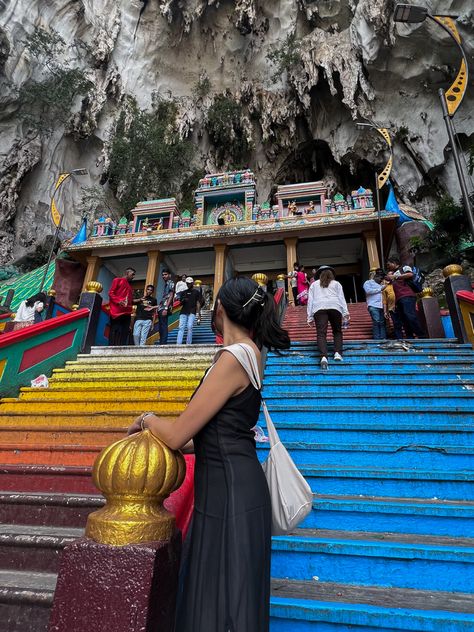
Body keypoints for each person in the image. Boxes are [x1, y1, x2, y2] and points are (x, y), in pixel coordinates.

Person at [128, 277, 290, 632]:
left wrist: (145, 419)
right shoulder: (251, 353)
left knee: (225, 599)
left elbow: (176, 435)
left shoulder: (235, 357)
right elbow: (207, 436)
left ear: (219, 309)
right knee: (226, 596)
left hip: (231, 494)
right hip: (229, 487)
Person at [307, 265, 349, 369]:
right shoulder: (336, 284)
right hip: (335, 307)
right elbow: (341, 298)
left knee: (321, 333)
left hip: (319, 308)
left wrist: (309, 316)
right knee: (337, 331)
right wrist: (345, 313)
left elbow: (310, 301)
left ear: (319, 274)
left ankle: (323, 357)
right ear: (331, 274)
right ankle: (337, 353)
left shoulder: (314, 284)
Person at [386, 256, 426, 339]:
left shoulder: (404, 267)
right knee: (404, 319)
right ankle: (410, 337)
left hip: (407, 295)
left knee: (410, 315)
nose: (388, 266)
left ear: (394, 263)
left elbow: (410, 274)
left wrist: (395, 277)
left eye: (389, 264)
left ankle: (421, 336)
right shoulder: (393, 273)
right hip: (399, 299)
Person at [108, 268, 135, 345]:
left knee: (125, 330)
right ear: (127, 273)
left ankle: (122, 346)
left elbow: (130, 300)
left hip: (127, 311)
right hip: (117, 311)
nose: (133, 277)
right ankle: (111, 347)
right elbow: (111, 293)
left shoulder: (130, 287)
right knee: (115, 329)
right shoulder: (117, 280)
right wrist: (118, 301)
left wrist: (139, 300)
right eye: (132, 274)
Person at [177, 277, 202, 345]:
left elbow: (198, 303)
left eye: (190, 283)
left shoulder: (196, 292)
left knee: (190, 327)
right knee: (181, 327)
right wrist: (183, 300)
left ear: (192, 283)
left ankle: (188, 344)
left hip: (192, 311)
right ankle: (178, 344)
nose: (188, 285)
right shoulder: (183, 292)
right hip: (183, 312)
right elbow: (180, 304)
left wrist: (199, 314)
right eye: (187, 283)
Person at [363, 270, 386, 340]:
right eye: (380, 278)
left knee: (382, 323)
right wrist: (380, 289)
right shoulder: (368, 282)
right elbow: (368, 291)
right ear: (376, 276)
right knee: (376, 321)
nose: (381, 280)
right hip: (373, 305)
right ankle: (377, 339)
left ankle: (383, 338)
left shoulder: (382, 284)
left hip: (382, 306)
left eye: (382, 278)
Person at [381, 275, 404, 339]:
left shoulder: (398, 284)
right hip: (391, 308)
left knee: (404, 322)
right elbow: (384, 301)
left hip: (400, 306)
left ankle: (409, 337)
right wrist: (385, 312)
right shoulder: (385, 288)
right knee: (396, 323)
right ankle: (399, 338)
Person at [157, 269, 175, 344]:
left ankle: (163, 344)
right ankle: (162, 342)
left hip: (165, 307)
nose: (163, 276)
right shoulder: (166, 283)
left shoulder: (171, 282)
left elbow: (171, 295)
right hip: (161, 307)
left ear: (169, 275)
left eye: (165, 274)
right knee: (161, 326)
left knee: (163, 326)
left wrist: (166, 308)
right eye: (163, 274)